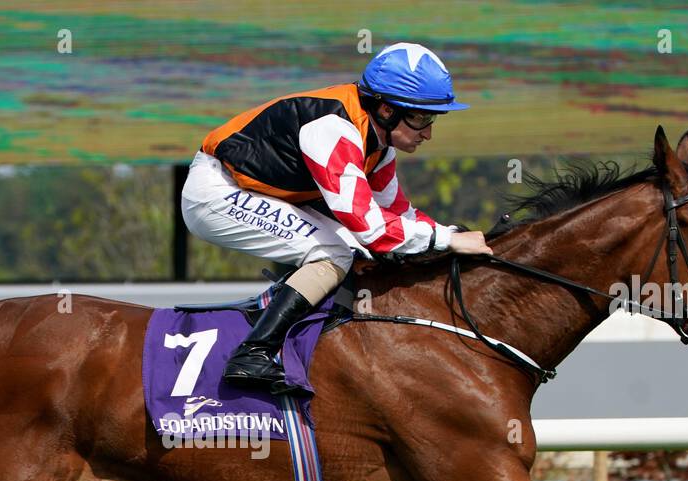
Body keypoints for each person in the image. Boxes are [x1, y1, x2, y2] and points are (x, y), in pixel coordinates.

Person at [181, 42, 493, 395]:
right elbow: (373, 229)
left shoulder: (379, 145)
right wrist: (448, 241)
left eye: (432, 119)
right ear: (387, 109)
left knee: (355, 250)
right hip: (216, 192)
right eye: (421, 118)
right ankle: (253, 353)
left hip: (262, 193)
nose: (428, 132)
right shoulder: (333, 129)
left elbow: (397, 213)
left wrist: (448, 233)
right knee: (334, 252)